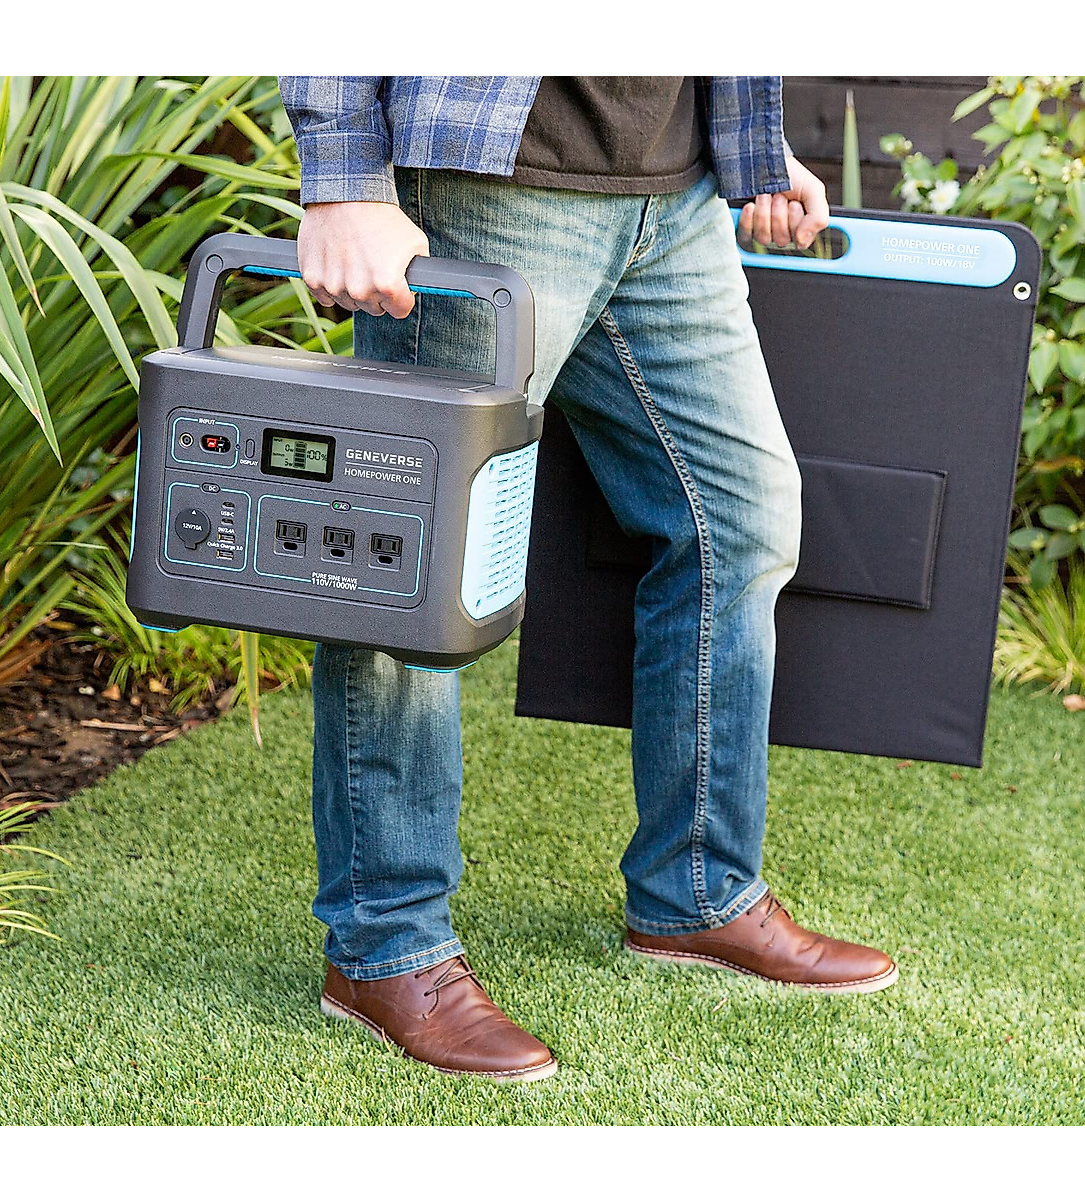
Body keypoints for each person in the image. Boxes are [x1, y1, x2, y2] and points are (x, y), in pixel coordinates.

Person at [278, 76, 897, 1082]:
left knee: (738, 519)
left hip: (674, 192)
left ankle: (696, 891)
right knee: (414, 570)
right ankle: (385, 947)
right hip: (491, 186)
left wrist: (749, 139)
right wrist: (343, 178)